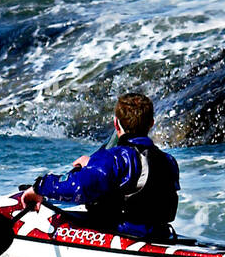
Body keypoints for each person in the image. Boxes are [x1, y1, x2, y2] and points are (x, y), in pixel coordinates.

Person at [21, 93, 179, 241]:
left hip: (122, 232)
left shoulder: (114, 157)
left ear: (116, 124)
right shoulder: (169, 161)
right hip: (160, 234)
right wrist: (93, 165)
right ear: (151, 124)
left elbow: (77, 189)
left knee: (53, 217)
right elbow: (133, 177)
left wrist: (39, 187)